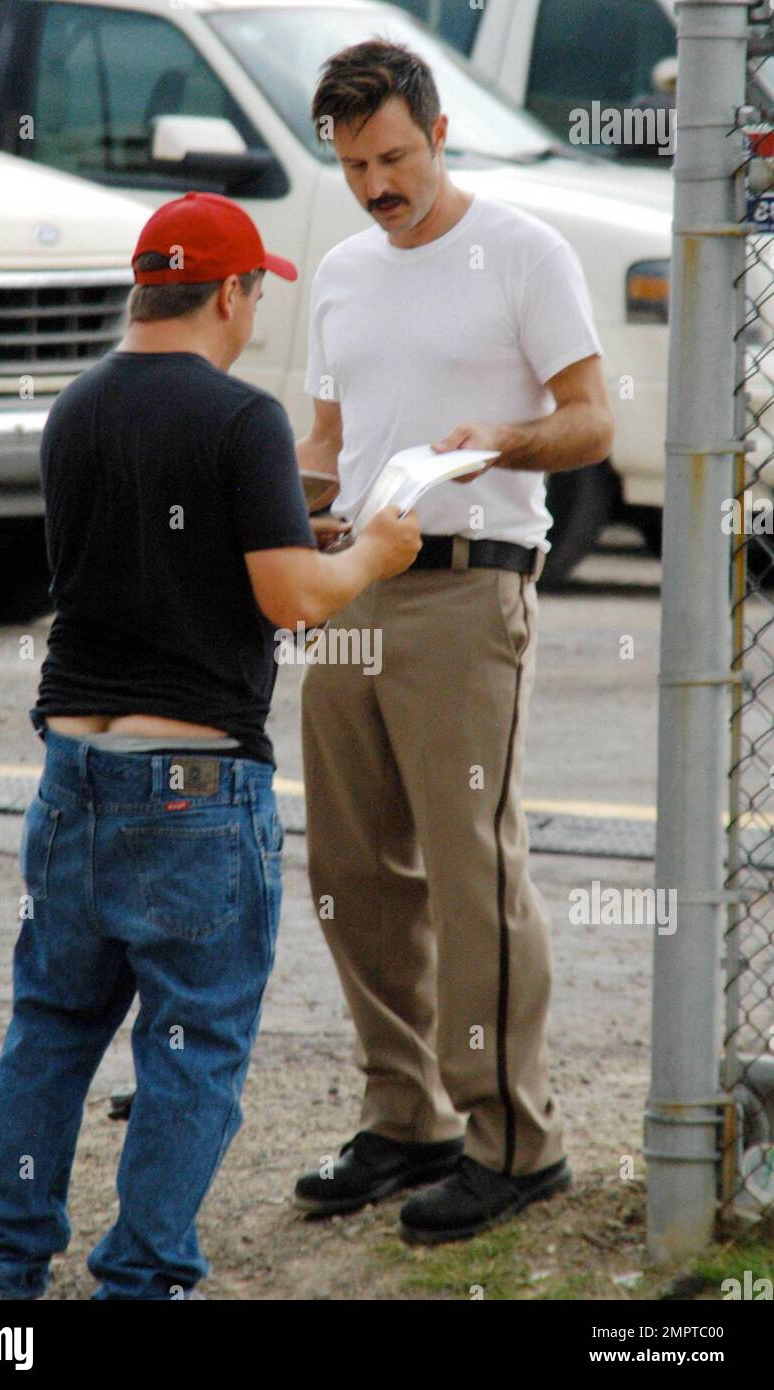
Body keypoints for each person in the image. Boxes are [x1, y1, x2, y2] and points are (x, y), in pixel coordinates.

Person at [0, 191, 421, 1300]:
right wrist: (372, 554)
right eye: (254, 293)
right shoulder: (241, 417)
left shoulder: (75, 407)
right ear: (230, 294)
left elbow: (146, 558)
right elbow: (290, 598)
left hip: (74, 771)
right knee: (192, 1045)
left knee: (51, 1029)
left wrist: (286, 535)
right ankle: (144, 1277)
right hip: (194, 785)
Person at [293, 41, 615, 1244]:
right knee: (350, 870)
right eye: (353, 165)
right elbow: (329, 440)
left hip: (468, 591)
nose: (376, 184)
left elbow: (590, 422)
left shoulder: (523, 251)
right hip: (350, 588)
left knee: (470, 869)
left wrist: (505, 440)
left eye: (393, 157)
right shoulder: (341, 271)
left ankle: (514, 1140)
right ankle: (406, 1116)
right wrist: (287, 507)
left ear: (437, 132)